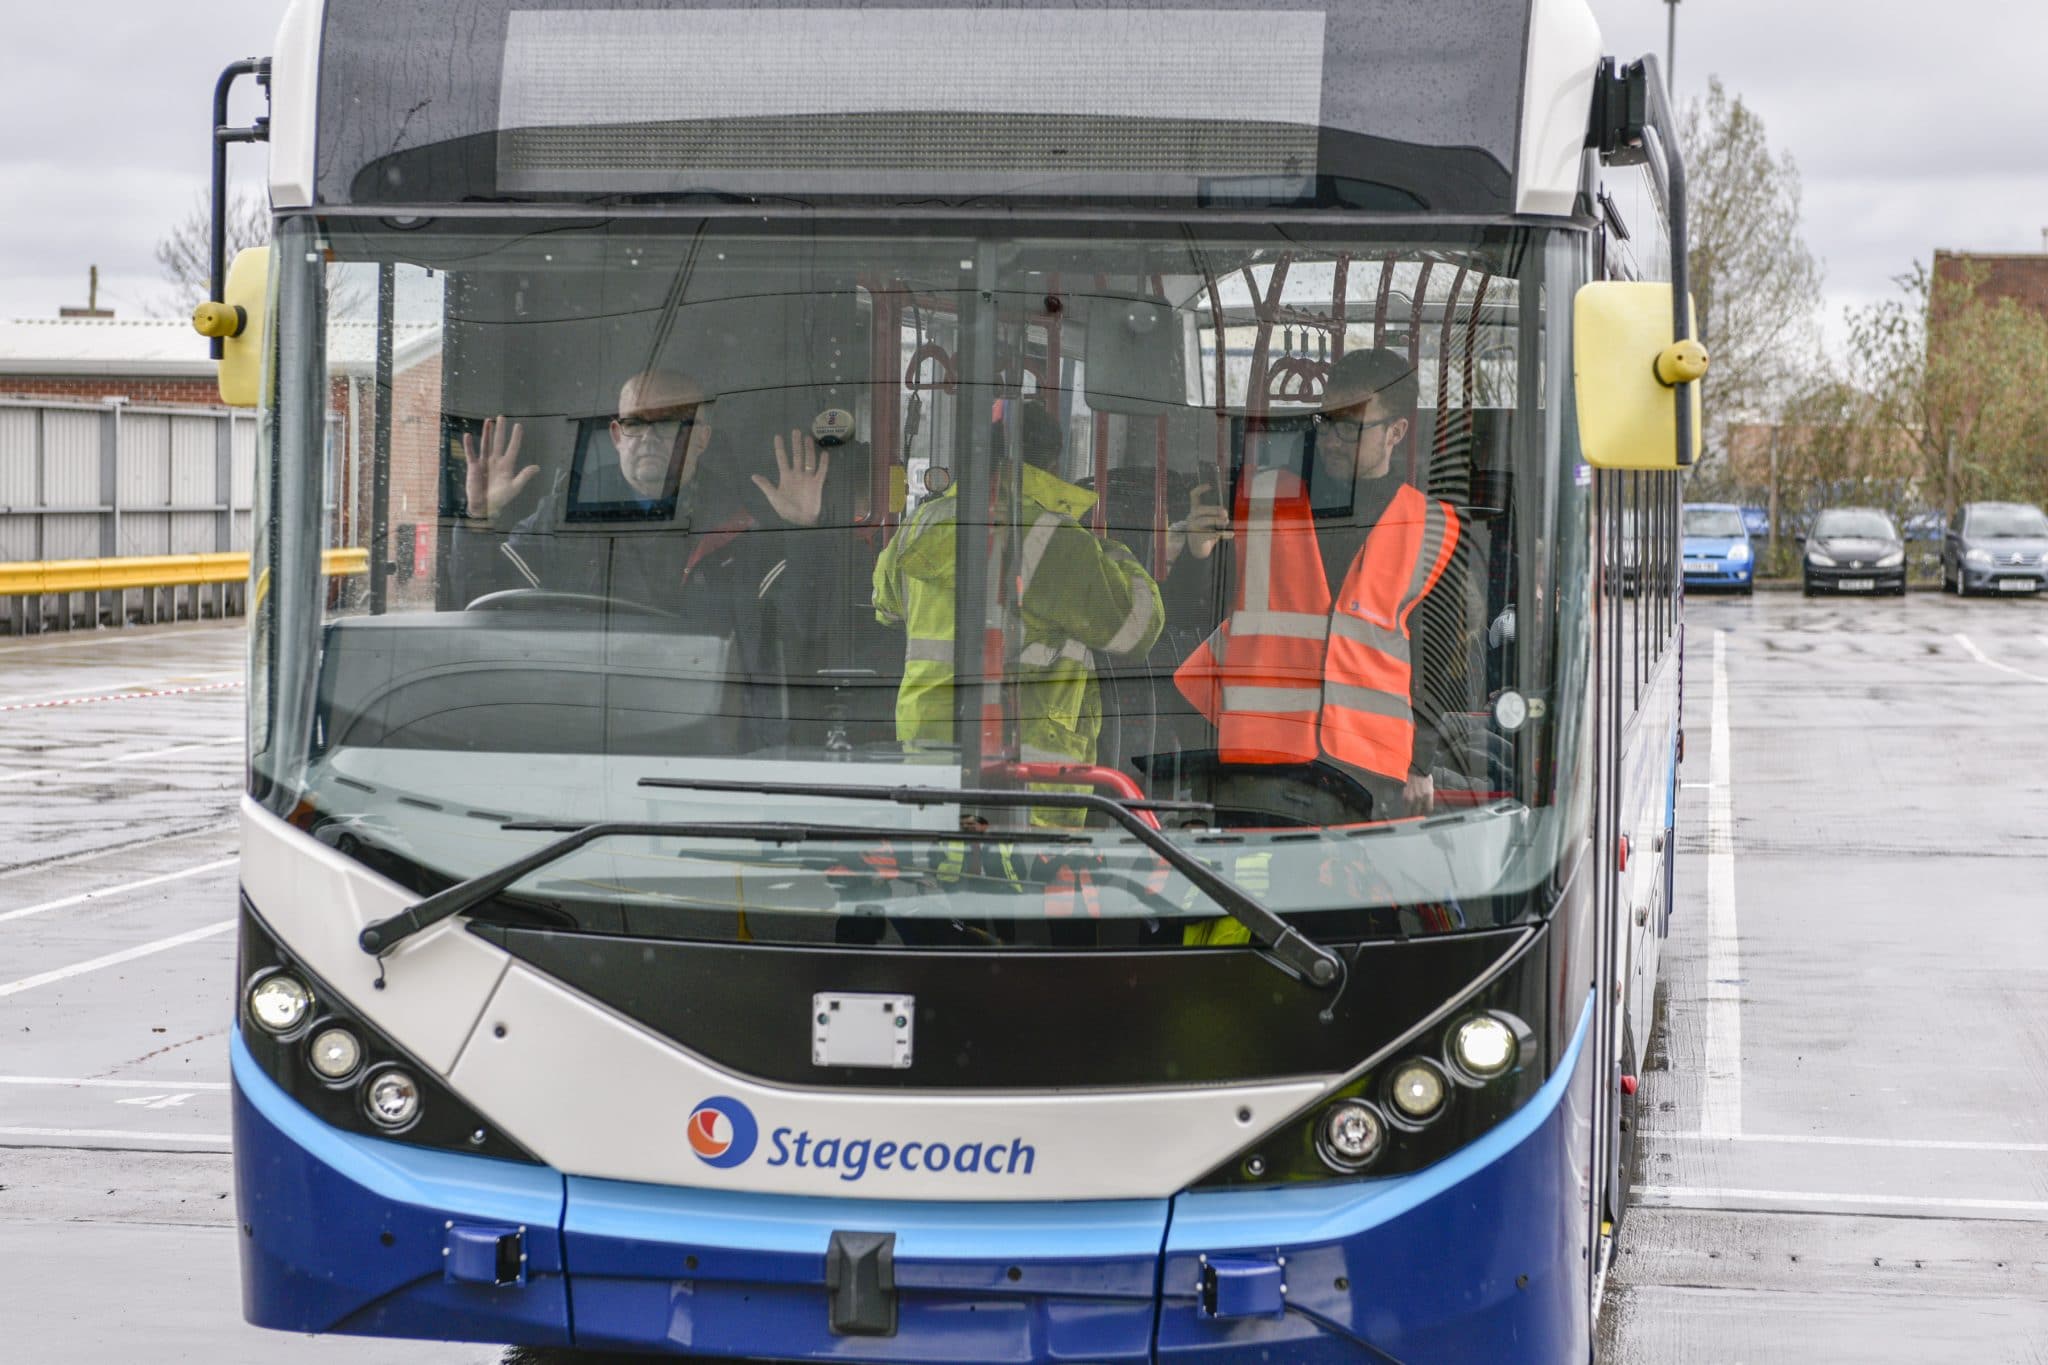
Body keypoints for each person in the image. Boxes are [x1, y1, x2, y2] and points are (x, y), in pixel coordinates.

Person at [448, 369, 833, 748]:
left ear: (701, 438)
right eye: (635, 423)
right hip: (587, 735)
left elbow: (803, 628)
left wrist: (805, 531)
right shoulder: (564, 517)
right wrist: (478, 520)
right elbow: (486, 615)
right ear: (617, 435)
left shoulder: (743, 529)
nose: (649, 437)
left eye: (668, 424)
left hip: (712, 746)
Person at [1171, 347, 1462, 821]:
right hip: (1258, 764)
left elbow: (1440, 659)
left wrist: (1418, 761)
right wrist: (1195, 557)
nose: (1332, 438)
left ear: (1396, 432)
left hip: (1366, 772)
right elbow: (1189, 613)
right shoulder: (1258, 497)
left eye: (1350, 427)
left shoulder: (1429, 527)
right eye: (1325, 421)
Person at [871, 400, 1164, 822]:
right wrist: (1113, 554)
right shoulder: (1056, 539)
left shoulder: (920, 524)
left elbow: (885, 603)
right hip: (1033, 776)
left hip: (927, 759)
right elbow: (1136, 630)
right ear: (1051, 462)